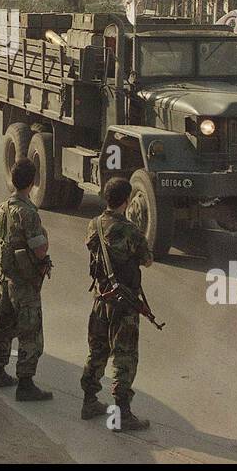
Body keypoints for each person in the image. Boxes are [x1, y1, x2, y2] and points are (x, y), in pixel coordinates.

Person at [80, 177, 153, 431]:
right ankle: (122, 414)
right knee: (124, 356)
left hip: (101, 299)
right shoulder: (130, 230)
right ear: (126, 201)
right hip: (123, 303)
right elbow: (147, 259)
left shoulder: (94, 224)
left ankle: (89, 401)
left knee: (97, 349)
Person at [0, 158, 54, 402]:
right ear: (32, 181)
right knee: (30, 332)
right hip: (24, 283)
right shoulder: (28, 212)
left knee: (3, 327)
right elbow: (39, 250)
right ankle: (25, 384)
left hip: (5, 279)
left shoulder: (2, 208)